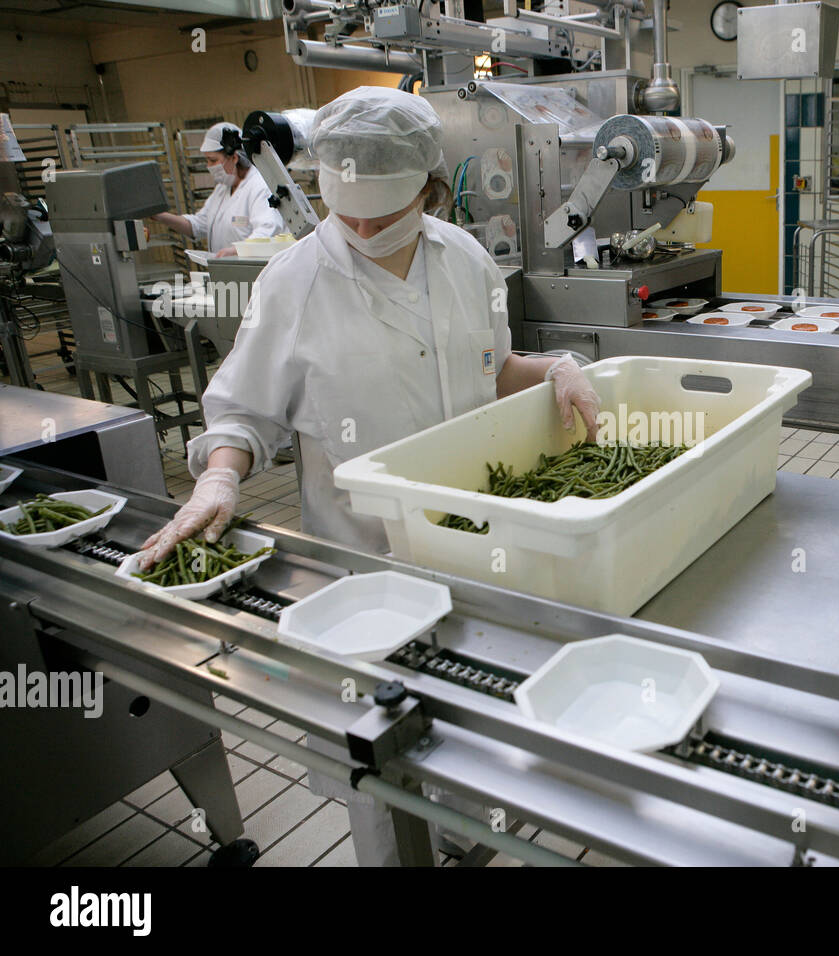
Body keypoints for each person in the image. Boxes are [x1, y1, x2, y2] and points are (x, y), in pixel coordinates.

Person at [137, 87, 601, 864]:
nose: (358, 231)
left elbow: (490, 371)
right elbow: (245, 412)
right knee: (380, 780)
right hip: (362, 565)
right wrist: (219, 477)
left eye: (381, 216)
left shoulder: (467, 260)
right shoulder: (293, 282)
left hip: (473, 556)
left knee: (473, 753)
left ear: (429, 189)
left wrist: (555, 366)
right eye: (344, 213)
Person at [150, 121, 284, 257]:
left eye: (213, 160)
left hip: (255, 272)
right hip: (227, 271)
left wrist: (234, 252)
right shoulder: (223, 189)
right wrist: (161, 216)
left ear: (234, 157)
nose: (208, 166)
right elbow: (198, 225)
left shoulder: (260, 186)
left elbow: (268, 231)